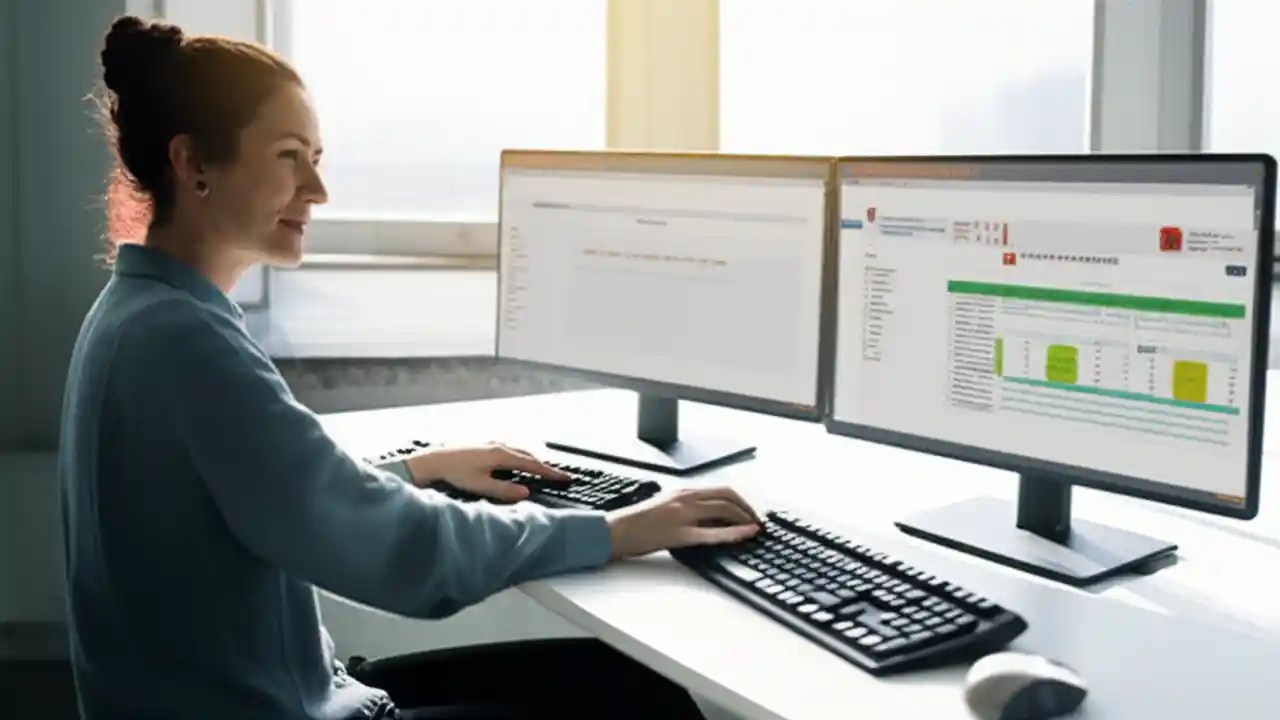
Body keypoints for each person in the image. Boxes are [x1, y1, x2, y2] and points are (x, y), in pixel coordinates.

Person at [59, 15, 762, 720]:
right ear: (193, 165)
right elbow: (404, 555)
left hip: (255, 697)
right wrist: (617, 532)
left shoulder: (132, 312)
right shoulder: (188, 343)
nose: (317, 188)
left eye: (316, 157)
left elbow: (283, 503)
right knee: (646, 705)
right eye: (289, 156)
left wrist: (419, 470)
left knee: (619, 681)